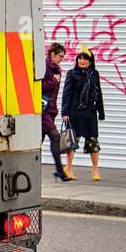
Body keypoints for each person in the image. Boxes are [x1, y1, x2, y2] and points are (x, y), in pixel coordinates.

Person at [61, 46, 106, 181]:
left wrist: (101, 111)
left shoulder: (94, 74)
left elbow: (98, 93)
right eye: (80, 58)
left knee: (93, 142)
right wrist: (65, 112)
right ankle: (68, 169)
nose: (82, 61)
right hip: (75, 113)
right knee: (73, 142)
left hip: (90, 113)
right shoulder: (71, 74)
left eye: (85, 59)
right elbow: (66, 94)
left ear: (90, 61)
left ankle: (95, 171)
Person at [41, 42, 69, 181]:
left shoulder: (57, 69)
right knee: (55, 137)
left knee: (38, 141)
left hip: (50, 110)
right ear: (52, 54)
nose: (62, 59)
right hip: (43, 110)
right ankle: (60, 170)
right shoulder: (45, 66)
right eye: (60, 56)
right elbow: (38, 86)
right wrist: (53, 81)